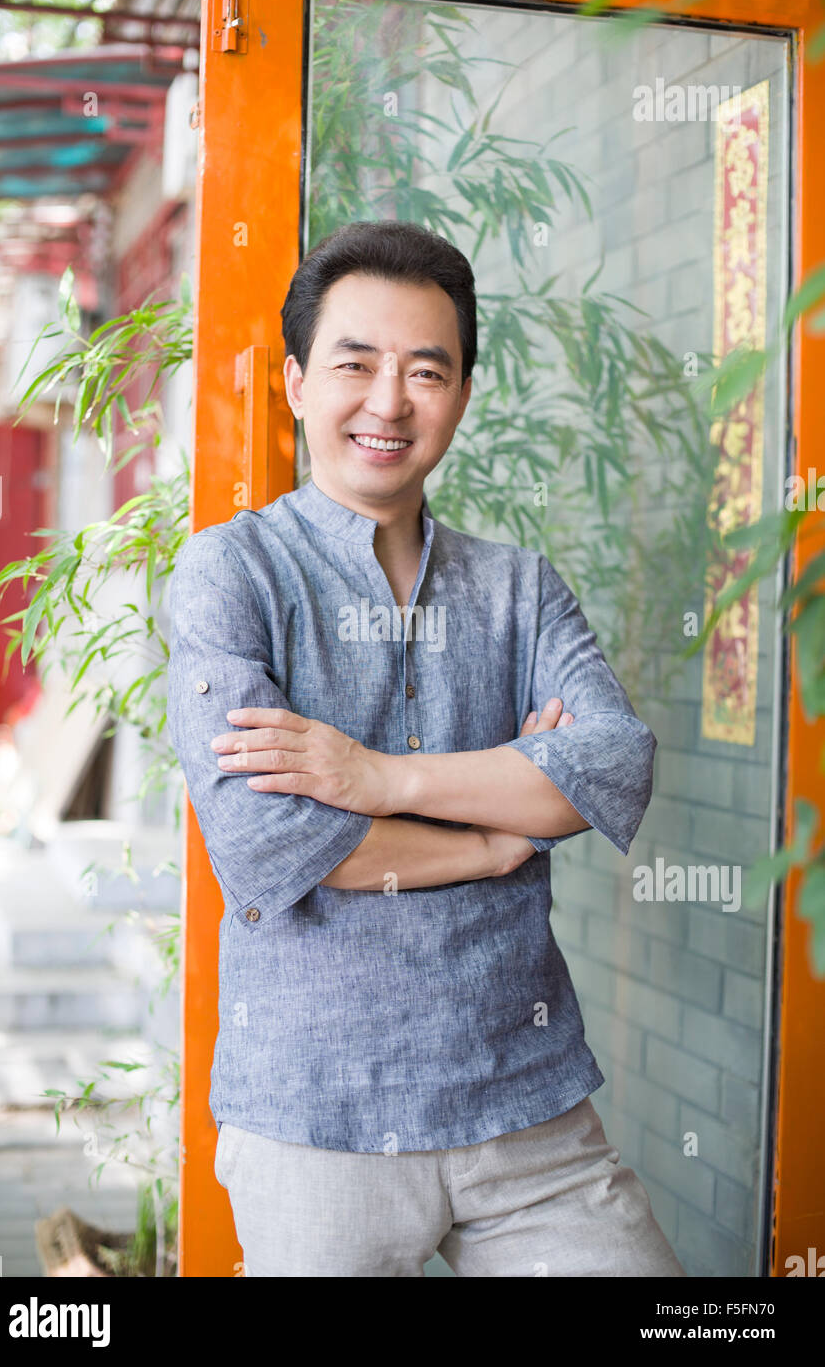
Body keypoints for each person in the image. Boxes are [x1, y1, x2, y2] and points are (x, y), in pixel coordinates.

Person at [166, 220, 686, 1278]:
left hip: (526, 1105)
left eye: (425, 370)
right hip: (317, 1118)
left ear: (461, 392)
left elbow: (613, 761)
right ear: (298, 382)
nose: (388, 401)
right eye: (355, 364)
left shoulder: (517, 588)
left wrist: (378, 780)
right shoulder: (233, 575)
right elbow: (267, 841)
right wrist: (497, 834)